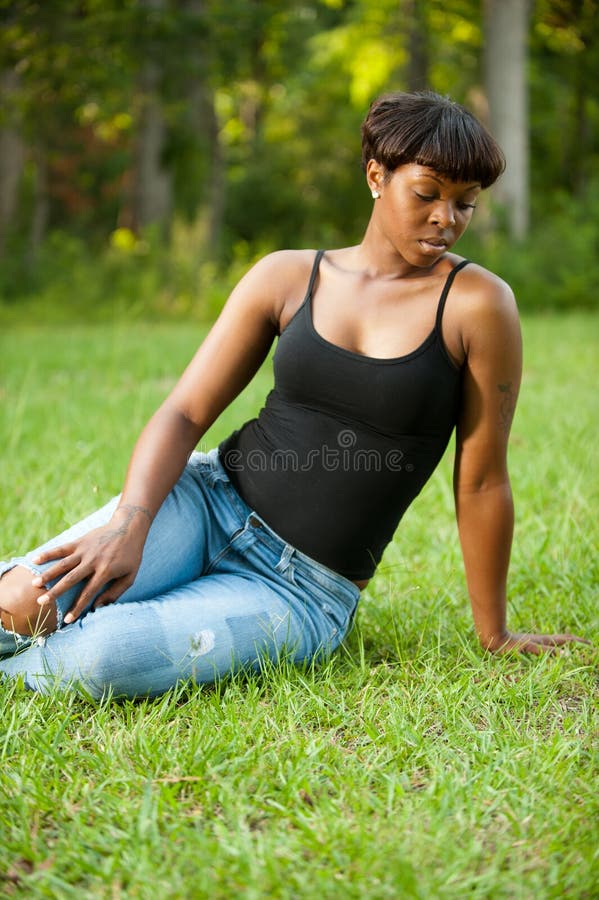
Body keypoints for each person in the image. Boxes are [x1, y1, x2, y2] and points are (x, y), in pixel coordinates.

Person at [0, 91, 587, 699]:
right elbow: (186, 410)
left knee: (104, 654)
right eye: (428, 193)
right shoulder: (287, 277)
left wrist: (495, 633)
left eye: (465, 203)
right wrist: (128, 523)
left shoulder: (478, 305)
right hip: (206, 504)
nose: (448, 217)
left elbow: (483, 478)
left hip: (300, 589)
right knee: (18, 604)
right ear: (376, 177)